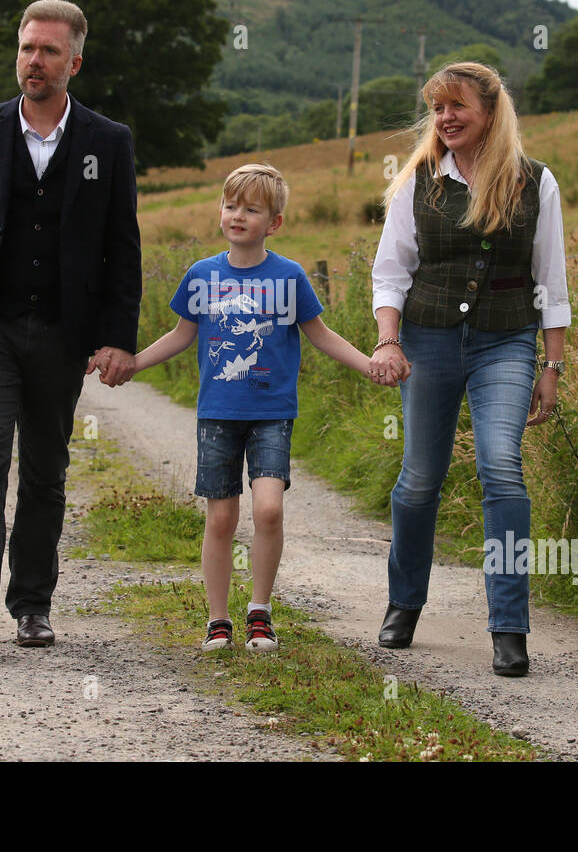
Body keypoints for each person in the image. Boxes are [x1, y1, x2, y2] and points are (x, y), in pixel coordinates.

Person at [0, 0, 141, 657]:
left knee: (45, 470)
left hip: (63, 332)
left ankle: (32, 605)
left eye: (47, 51)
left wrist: (117, 336)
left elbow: (122, 246)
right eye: (26, 48)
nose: (33, 61)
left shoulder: (107, 141)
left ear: (74, 60)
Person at [134, 163, 401, 651]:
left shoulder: (289, 276)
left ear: (273, 222)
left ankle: (260, 610)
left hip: (272, 413)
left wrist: (369, 365)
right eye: (231, 205)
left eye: (251, 209)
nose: (238, 215)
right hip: (217, 413)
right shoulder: (201, 275)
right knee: (220, 519)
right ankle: (218, 619)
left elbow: (319, 334)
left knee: (270, 510)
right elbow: (180, 335)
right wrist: (133, 364)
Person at [368, 61, 570, 677]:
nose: (446, 118)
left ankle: (509, 627)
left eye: (457, 107)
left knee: (501, 469)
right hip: (426, 342)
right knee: (420, 479)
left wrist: (552, 365)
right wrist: (388, 341)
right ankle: (404, 602)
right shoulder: (417, 183)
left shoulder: (535, 183)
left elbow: (551, 281)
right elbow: (391, 271)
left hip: (505, 342)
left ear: (490, 113)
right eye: (437, 108)